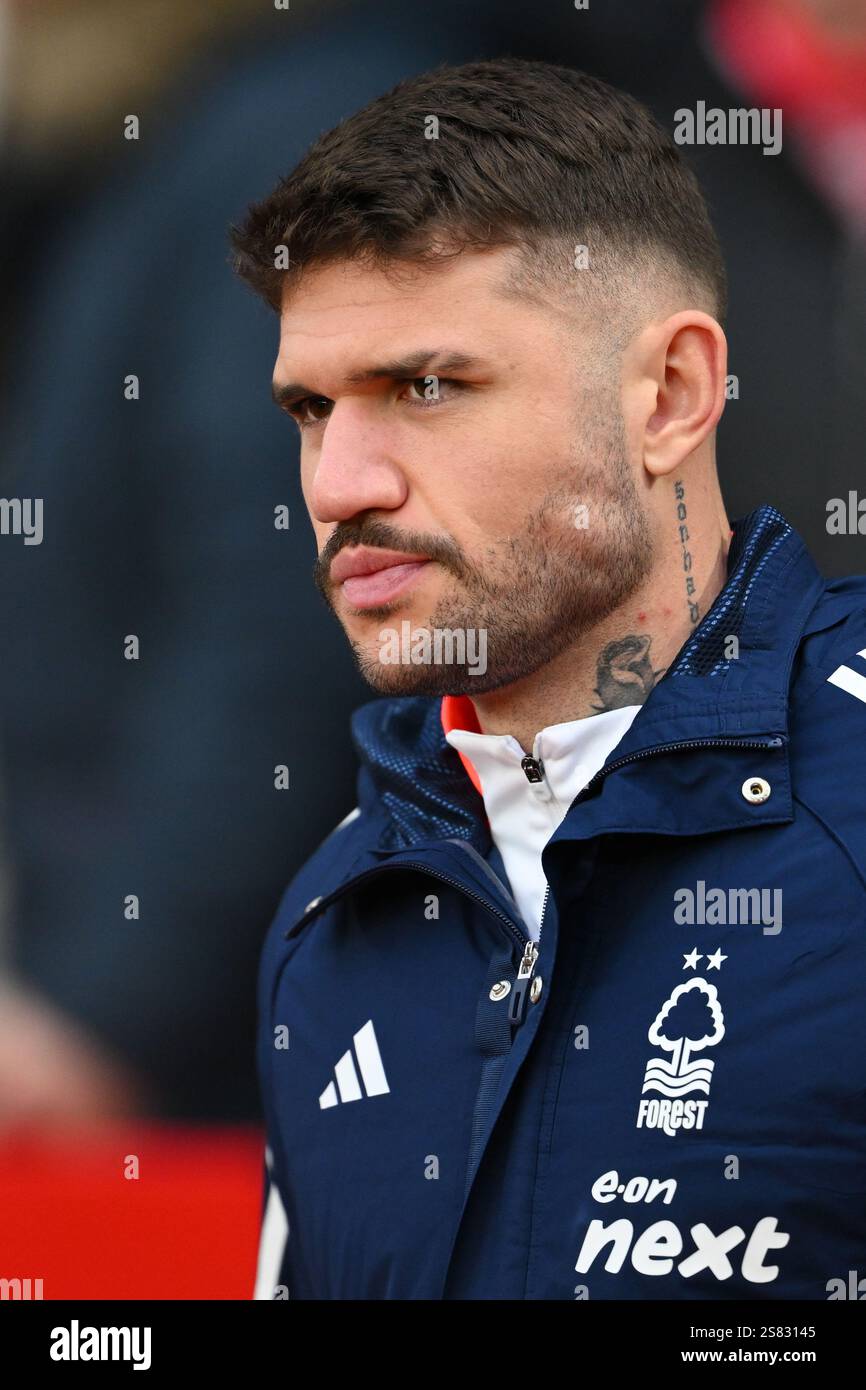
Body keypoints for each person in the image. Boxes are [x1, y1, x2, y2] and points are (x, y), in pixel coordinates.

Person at [231, 58, 866, 1300]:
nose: (337, 483)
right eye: (311, 408)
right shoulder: (337, 911)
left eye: (425, 386)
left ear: (670, 395)